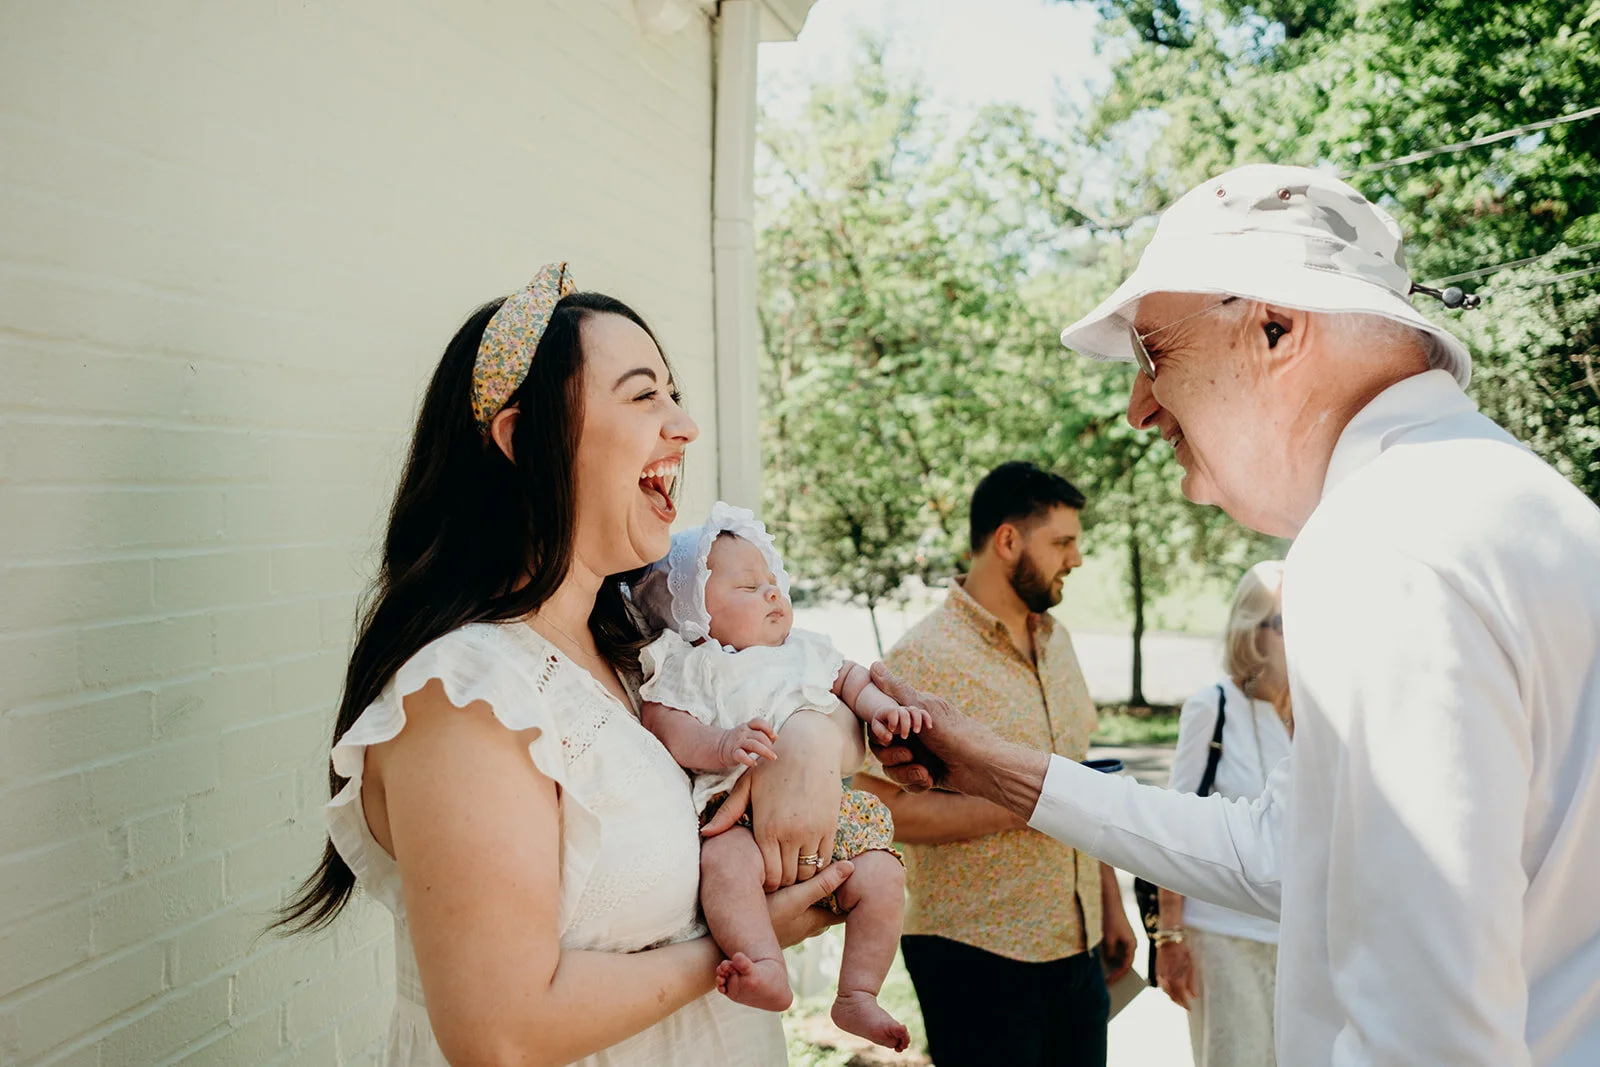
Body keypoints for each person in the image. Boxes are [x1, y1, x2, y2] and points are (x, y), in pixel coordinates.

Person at [870, 165, 1600, 1067]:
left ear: (1276, 326)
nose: (1138, 408)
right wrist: (992, 763)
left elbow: (1432, 1038)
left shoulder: (1384, 543)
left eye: (1152, 355)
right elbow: (1285, 853)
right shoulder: (1509, 502)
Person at [273, 263, 858, 1066]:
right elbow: (501, 1032)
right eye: (644, 394)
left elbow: (813, 691)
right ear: (523, 440)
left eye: (675, 394)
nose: (683, 424)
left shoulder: (633, 652)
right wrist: (749, 945)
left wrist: (810, 745)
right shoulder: (468, 695)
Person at [855, 461, 1137, 1067]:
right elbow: (879, 805)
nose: (1078, 559)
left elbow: (1084, 774)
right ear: (1008, 541)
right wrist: (1033, 803)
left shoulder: (1059, 642)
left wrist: (1111, 905)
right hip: (973, 952)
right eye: (1063, 542)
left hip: (1079, 943)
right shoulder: (920, 659)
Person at [631, 502, 926, 1052]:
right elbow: (662, 720)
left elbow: (851, 679)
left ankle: (857, 993)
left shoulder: (806, 649)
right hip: (734, 821)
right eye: (747, 587)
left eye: (773, 582)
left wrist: (880, 708)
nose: (772, 593)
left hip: (830, 810)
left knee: (884, 877)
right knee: (724, 867)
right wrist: (719, 744)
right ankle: (765, 961)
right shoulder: (694, 663)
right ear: (694, 615)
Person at [1155, 561, 1292, 1067]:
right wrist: (1169, 936)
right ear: (1252, 631)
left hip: (1307, 940)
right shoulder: (1213, 707)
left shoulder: (1318, 711)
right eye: (1285, 622)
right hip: (1226, 939)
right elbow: (1177, 827)